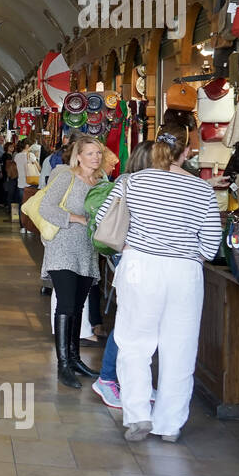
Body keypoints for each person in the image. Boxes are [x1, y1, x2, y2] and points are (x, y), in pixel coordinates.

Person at [97, 130, 221, 442]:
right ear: (187, 151)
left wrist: (129, 246)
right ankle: (169, 424)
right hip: (184, 273)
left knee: (134, 343)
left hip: (140, 265)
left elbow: (103, 220)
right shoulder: (202, 190)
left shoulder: (132, 182)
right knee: (179, 348)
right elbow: (210, 246)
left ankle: (137, 413)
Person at [89, 139, 156, 409]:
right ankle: (107, 377)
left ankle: (133, 380)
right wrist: (125, 245)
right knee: (132, 319)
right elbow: (104, 218)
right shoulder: (129, 182)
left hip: (143, 260)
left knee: (143, 320)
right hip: (132, 260)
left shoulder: (147, 183)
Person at [37, 135, 106, 389]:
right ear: (78, 155)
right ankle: (63, 364)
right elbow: (46, 208)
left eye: (98, 153)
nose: (95, 158)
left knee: (78, 305)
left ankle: (75, 358)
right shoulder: (65, 176)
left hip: (88, 250)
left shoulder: (101, 181)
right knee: (65, 304)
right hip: (63, 247)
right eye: (90, 153)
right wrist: (76, 218)